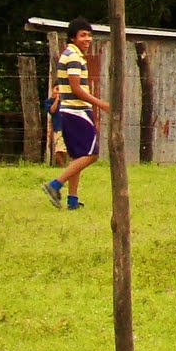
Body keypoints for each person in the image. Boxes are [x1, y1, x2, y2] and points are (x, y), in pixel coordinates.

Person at [40, 19, 110, 210]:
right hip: (76, 110)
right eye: (83, 35)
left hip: (71, 110)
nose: (87, 39)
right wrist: (100, 104)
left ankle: (72, 200)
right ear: (73, 37)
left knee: (78, 156)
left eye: (89, 34)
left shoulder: (73, 54)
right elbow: (76, 88)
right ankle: (54, 184)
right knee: (91, 154)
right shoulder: (73, 57)